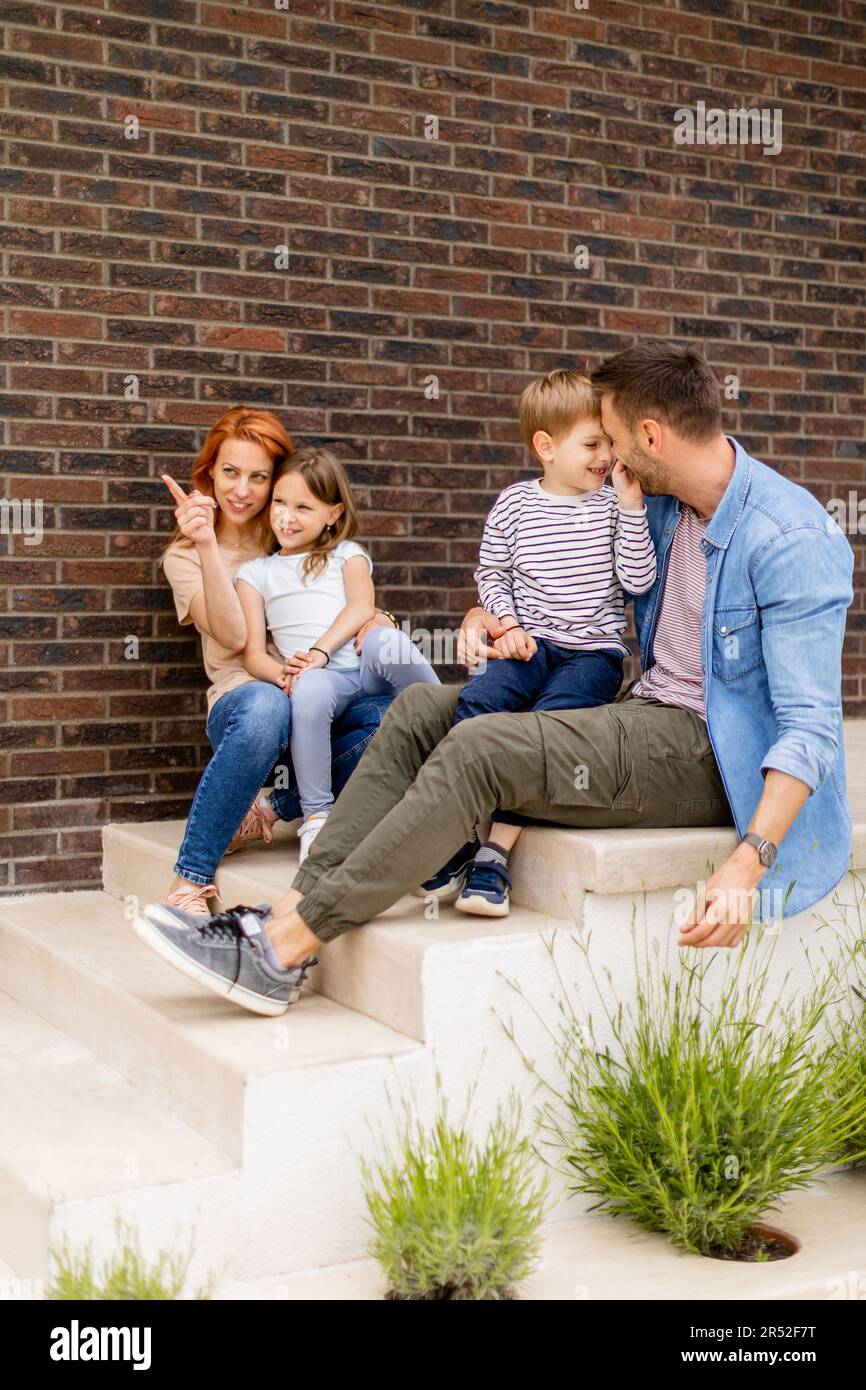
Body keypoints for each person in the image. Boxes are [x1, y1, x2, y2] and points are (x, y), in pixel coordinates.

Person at [134, 342, 854, 1016]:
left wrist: (747, 862)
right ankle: (291, 909)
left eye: (608, 439)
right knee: (418, 710)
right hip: (641, 709)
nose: (602, 460)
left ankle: (283, 950)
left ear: (651, 436)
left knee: (483, 747)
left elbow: (811, 730)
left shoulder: (788, 538)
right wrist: (486, 612)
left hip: (712, 753)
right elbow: (551, 564)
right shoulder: (658, 502)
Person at [421, 368, 656, 919]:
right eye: (592, 444)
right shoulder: (514, 505)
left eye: (608, 443)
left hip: (592, 653)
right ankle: (453, 831)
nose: (605, 456)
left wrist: (630, 508)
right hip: (528, 644)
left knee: (550, 731)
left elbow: (640, 581)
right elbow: (493, 573)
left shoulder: (614, 506)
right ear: (546, 447)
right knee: (477, 706)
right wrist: (506, 623)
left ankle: (494, 855)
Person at [159, 407, 399, 914]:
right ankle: (190, 881)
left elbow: (351, 597)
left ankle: (267, 807)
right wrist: (206, 545)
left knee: (390, 720)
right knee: (269, 704)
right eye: (230, 473)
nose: (242, 490)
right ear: (208, 475)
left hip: (320, 700)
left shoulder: (289, 530)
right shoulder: (185, 556)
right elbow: (233, 634)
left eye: (258, 477)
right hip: (247, 705)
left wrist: (382, 621)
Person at [235, 446, 439, 863]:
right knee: (308, 687)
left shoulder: (347, 554)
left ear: (332, 514)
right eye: (279, 502)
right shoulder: (255, 574)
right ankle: (315, 818)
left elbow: (362, 607)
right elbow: (253, 652)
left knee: (386, 640)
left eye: (302, 507)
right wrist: (284, 674)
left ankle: (453, 725)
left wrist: (319, 652)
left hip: (362, 667)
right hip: (324, 683)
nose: (285, 517)